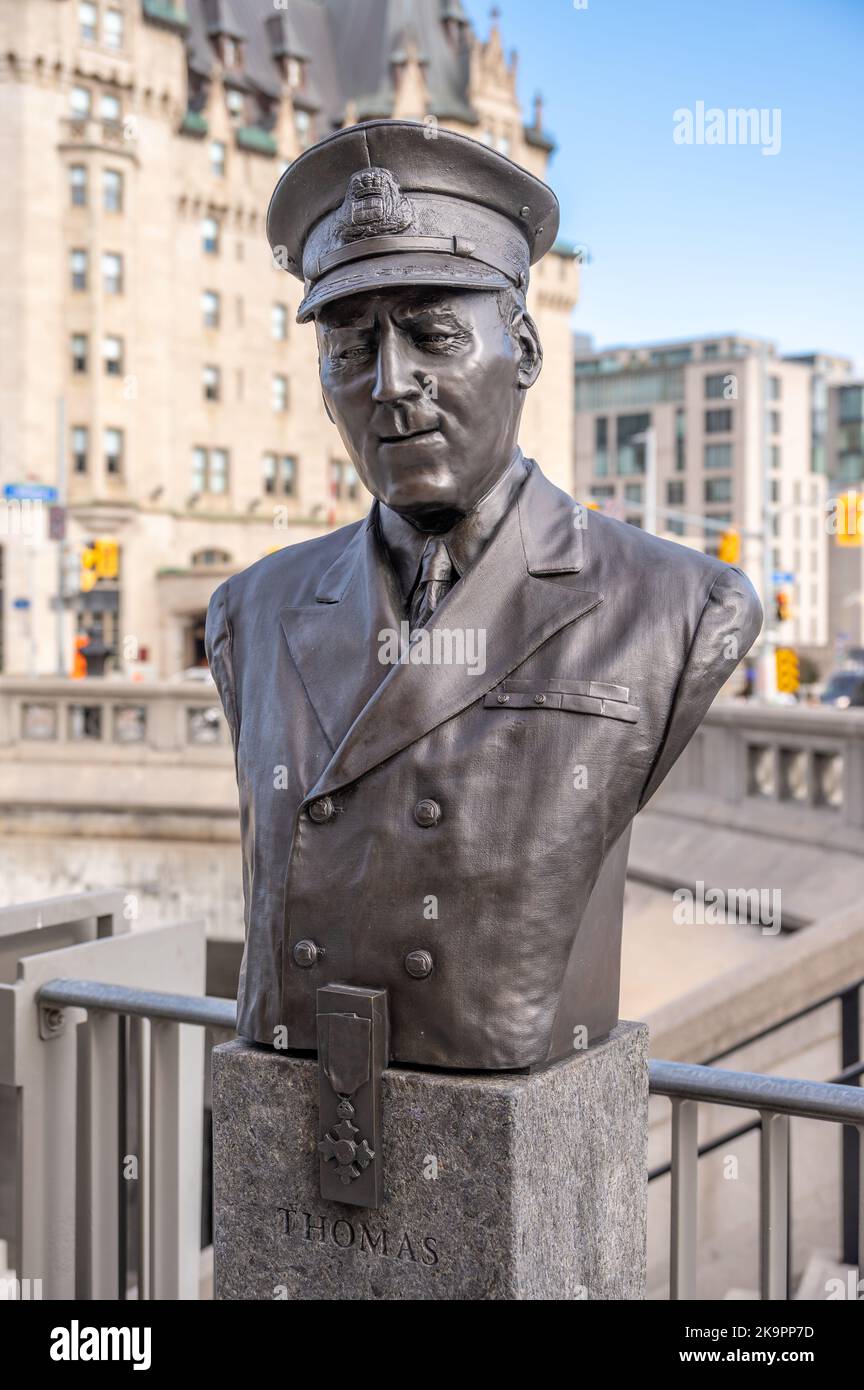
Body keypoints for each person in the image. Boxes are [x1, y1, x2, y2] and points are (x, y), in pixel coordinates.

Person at [206, 120, 762, 1071]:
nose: (389, 384)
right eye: (350, 346)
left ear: (527, 352)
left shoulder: (680, 603)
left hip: (506, 1046)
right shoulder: (251, 611)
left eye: (432, 334)